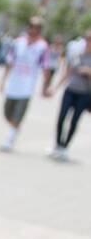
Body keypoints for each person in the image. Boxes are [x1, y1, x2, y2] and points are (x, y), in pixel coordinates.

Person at [0, 16, 49, 152]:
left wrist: (45, 87)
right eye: (32, 27)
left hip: (27, 87)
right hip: (13, 84)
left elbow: (45, 67)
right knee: (7, 112)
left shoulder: (42, 46)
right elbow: (10, 62)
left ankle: (10, 138)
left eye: (37, 28)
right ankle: (14, 128)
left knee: (18, 114)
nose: (33, 30)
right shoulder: (18, 42)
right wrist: (3, 80)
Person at [49, 29, 91, 159]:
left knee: (74, 121)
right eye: (87, 39)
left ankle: (65, 147)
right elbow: (67, 72)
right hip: (70, 90)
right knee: (61, 117)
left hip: (84, 93)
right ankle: (58, 145)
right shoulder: (77, 54)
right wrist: (55, 87)